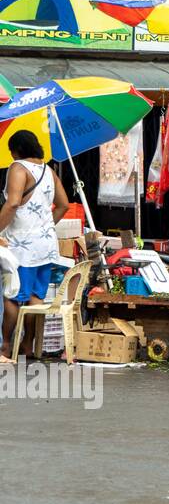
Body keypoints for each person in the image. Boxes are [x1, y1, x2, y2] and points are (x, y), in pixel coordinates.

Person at [0, 130, 70, 361]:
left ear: (16, 150)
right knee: (35, 297)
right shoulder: (48, 171)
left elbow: (12, 204)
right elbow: (63, 205)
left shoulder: (18, 168)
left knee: (12, 296)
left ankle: (6, 346)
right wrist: (44, 227)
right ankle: (28, 345)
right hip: (46, 245)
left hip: (22, 246)